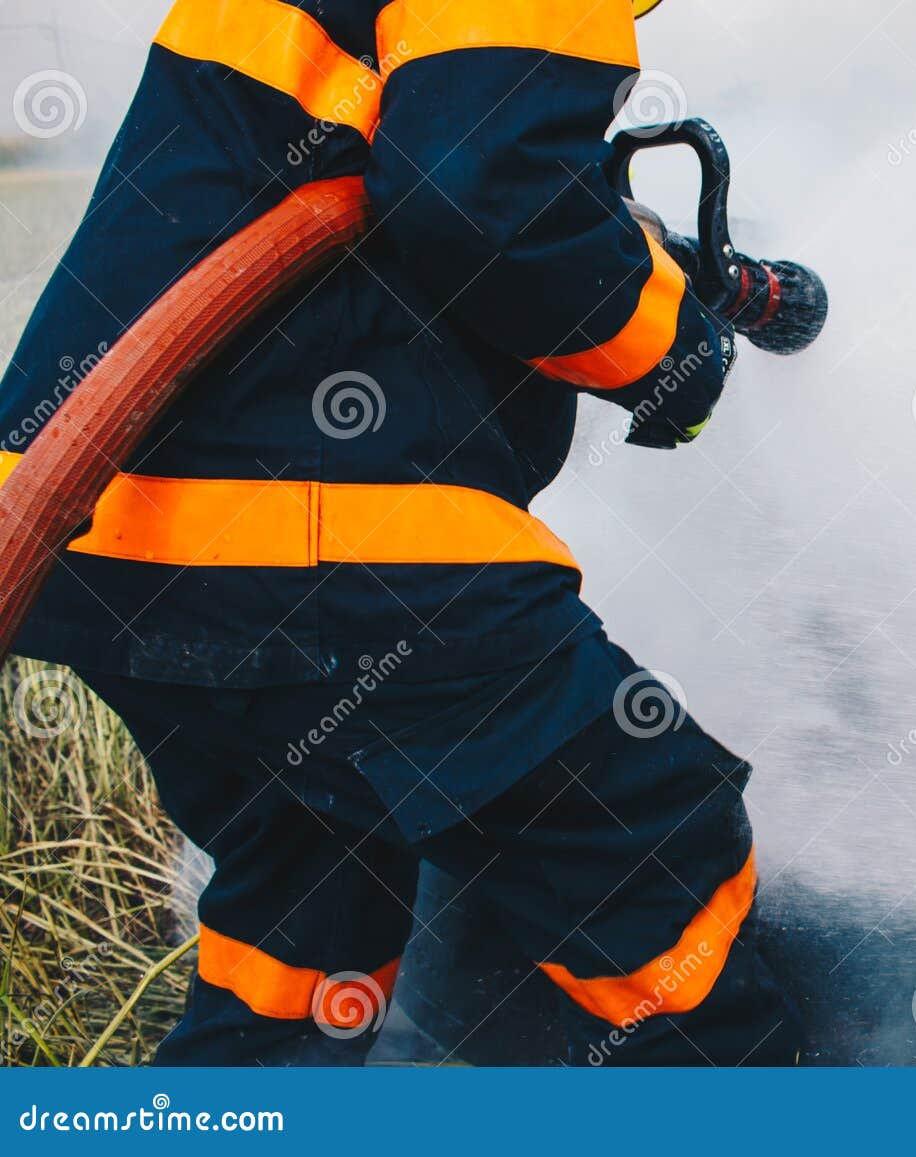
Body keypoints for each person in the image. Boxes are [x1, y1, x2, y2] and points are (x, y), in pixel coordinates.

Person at [0, 0, 799, 1066]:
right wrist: (675, 355)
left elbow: (439, 188)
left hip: (113, 544)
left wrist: (619, 244)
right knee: (647, 846)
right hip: (321, 543)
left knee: (305, 919)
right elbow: (481, 198)